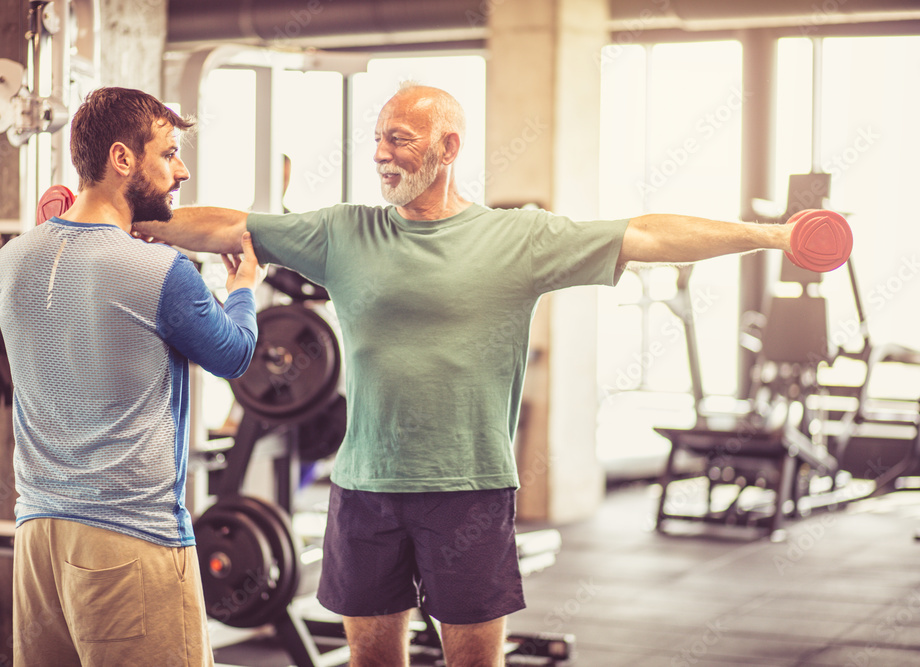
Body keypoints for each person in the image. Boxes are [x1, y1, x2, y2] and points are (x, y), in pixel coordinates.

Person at [133, 81, 794, 666]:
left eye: (399, 138)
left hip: (469, 488)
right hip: (364, 487)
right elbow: (226, 225)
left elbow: (646, 234)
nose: (381, 154)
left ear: (448, 147)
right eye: (375, 139)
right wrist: (122, 220)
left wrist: (775, 237)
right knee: (369, 658)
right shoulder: (343, 233)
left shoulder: (520, 239)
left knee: (475, 662)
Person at [0, 87, 264, 666]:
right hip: (129, 538)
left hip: (37, 539)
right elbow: (235, 355)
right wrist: (242, 290)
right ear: (122, 159)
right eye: (168, 154)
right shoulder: (160, 270)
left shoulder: (10, 260)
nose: (181, 169)